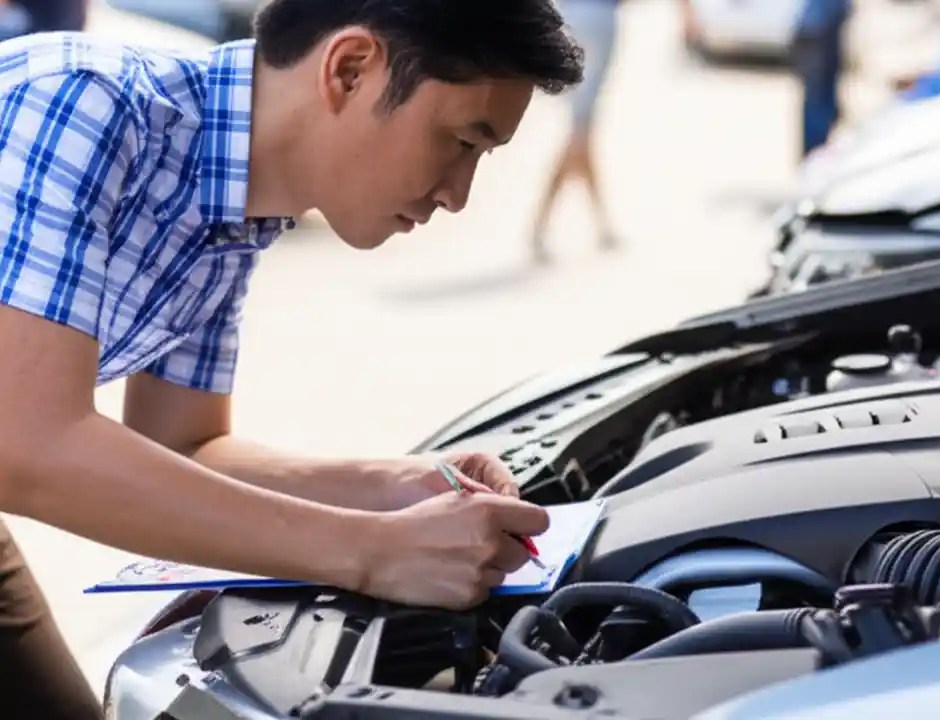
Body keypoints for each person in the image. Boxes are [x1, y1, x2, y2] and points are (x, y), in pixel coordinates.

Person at [0, 1, 583, 717]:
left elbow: (184, 445)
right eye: (462, 141)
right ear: (350, 70)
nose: (458, 196)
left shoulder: (234, 207)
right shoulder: (78, 103)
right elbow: (24, 443)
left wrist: (396, 489)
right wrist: (370, 551)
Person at [529, 0, 620, 264]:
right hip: (599, 15)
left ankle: (601, 221)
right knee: (580, 129)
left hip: (569, 15)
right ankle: (540, 224)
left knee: (582, 127)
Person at [793, 0, 851, 158]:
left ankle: (814, 155)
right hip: (818, 34)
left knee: (821, 101)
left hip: (819, 32)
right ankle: (813, 155)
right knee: (818, 103)